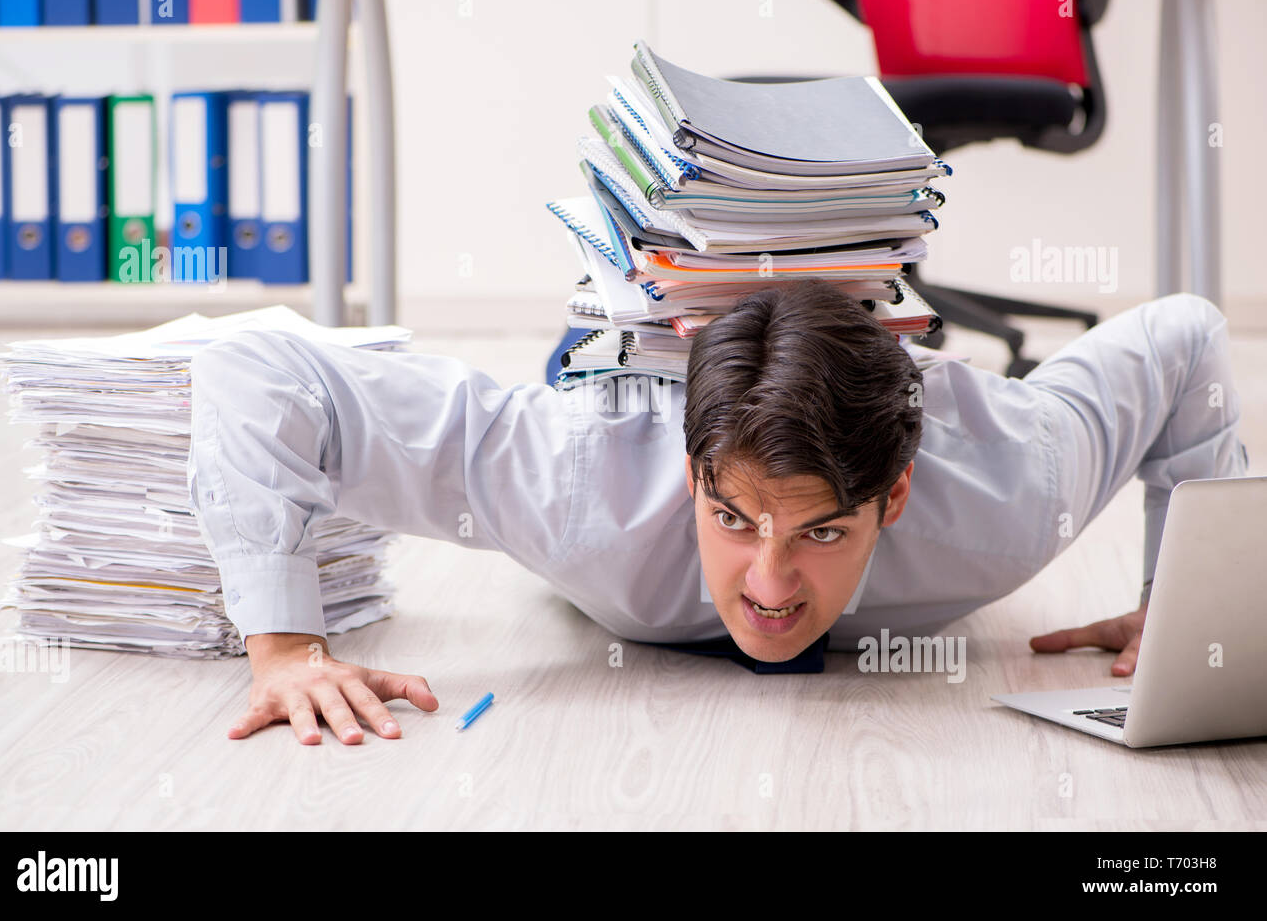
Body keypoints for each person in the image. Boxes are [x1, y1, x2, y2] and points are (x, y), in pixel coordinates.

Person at [185, 283, 1250, 745]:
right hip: (628, 381)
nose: (771, 587)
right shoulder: (573, 482)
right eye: (735, 520)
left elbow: (1189, 339)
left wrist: (1178, 599)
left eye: (823, 532)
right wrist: (284, 648)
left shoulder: (1019, 486)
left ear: (897, 497)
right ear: (693, 483)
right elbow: (253, 366)